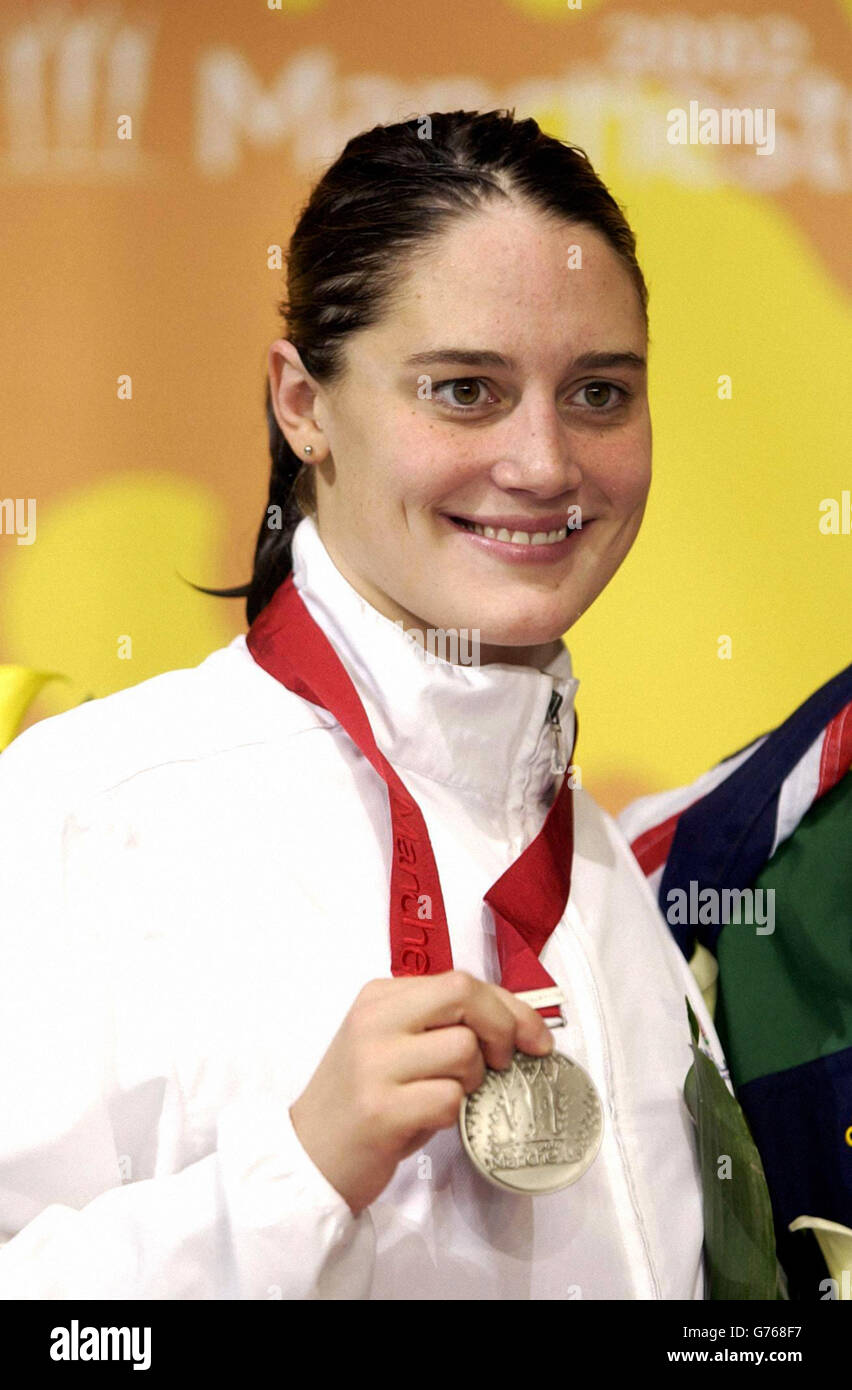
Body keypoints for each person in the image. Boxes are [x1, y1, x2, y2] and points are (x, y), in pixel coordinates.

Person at [0, 109, 726, 1300]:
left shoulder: (609, 876)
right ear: (303, 404)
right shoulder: (87, 814)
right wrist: (293, 1176)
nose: (544, 463)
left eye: (598, 392)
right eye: (463, 390)